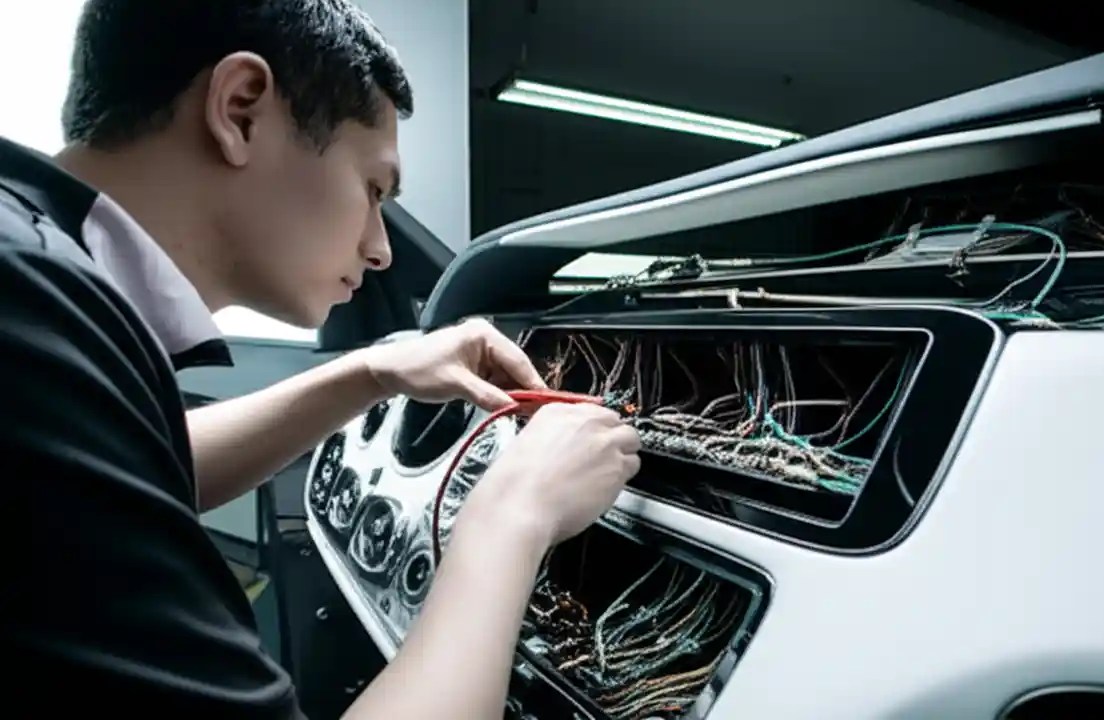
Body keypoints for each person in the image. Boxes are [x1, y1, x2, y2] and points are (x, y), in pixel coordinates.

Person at [0, 1, 641, 717]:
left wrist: (372, 374)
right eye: (374, 190)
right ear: (240, 110)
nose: (380, 247)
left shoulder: (36, 279)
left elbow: (139, 464)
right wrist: (516, 511)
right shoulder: (23, 308)